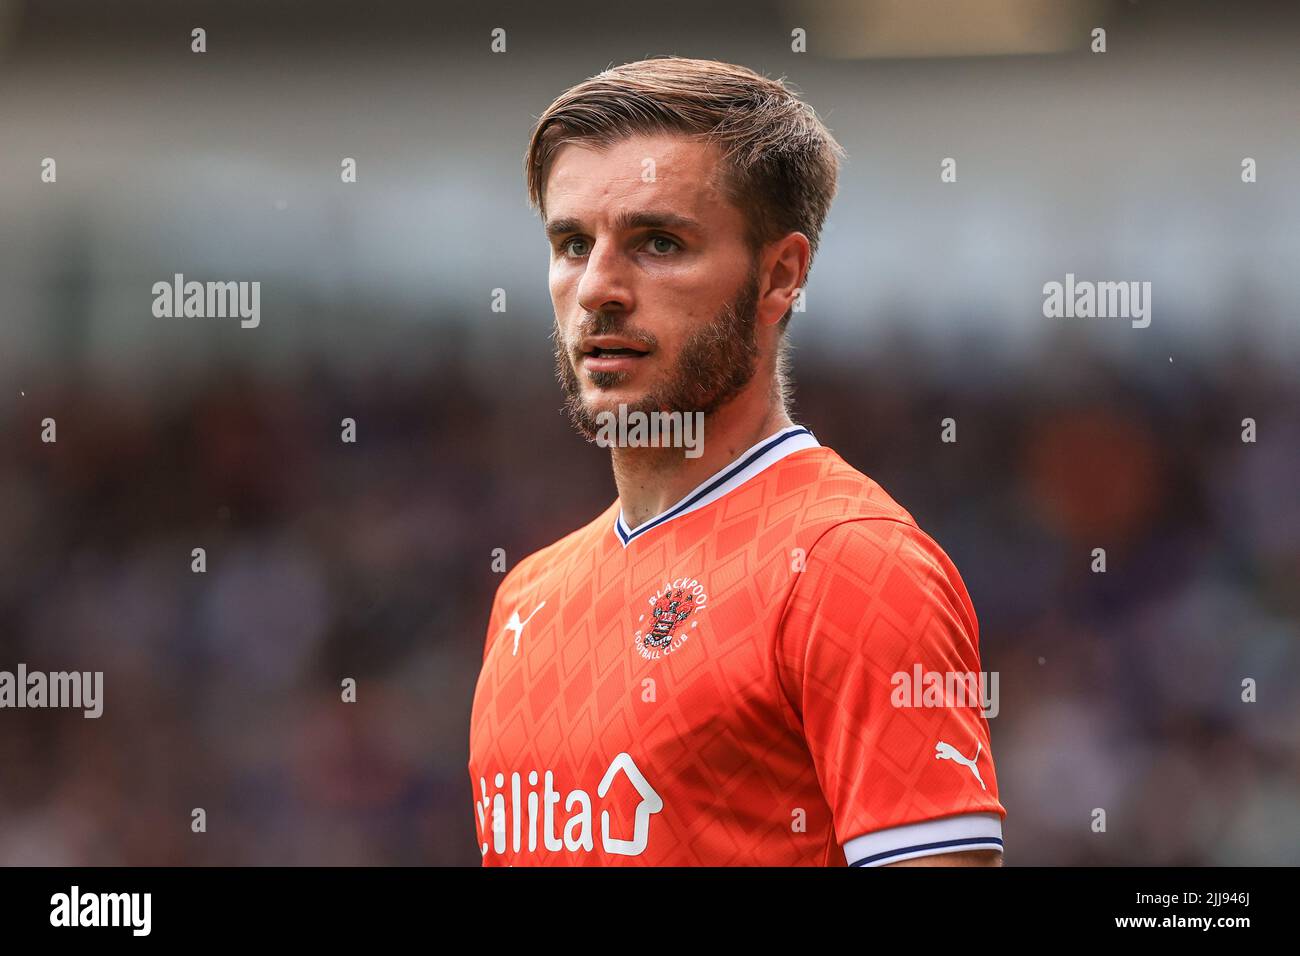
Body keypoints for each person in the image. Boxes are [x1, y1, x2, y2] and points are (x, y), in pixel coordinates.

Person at [468, 56, 1005, 866]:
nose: (598, 289)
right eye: (574, 244)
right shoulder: (525, 599)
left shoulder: (850, 566)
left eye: (657, 242)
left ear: (780, 275)